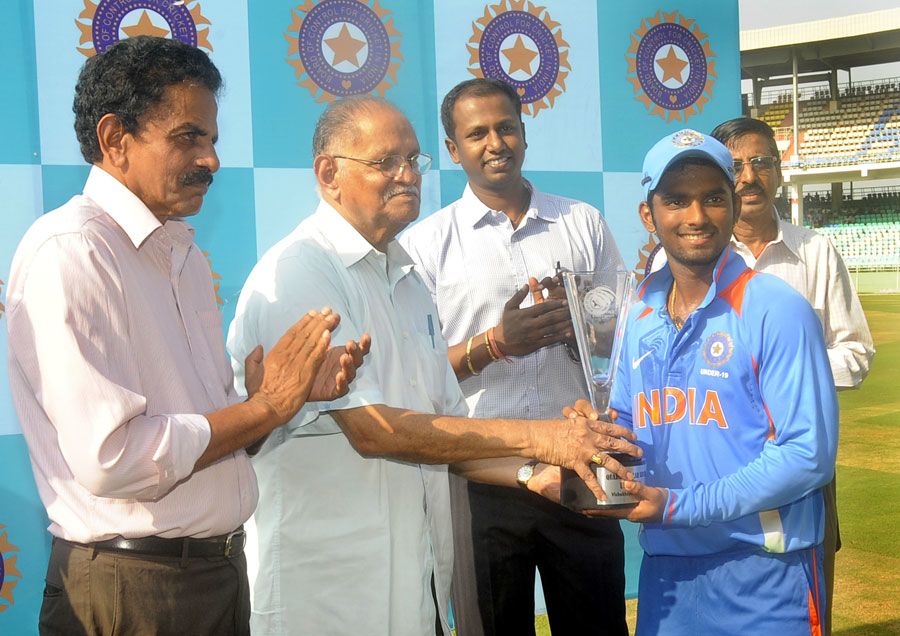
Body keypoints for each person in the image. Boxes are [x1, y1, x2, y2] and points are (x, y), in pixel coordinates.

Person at [226, 95, 640, 636]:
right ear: (329, 174)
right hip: (326, 593)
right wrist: (542, 437)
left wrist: (529, 472)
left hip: (410, 587)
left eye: (413, 162)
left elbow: (445, 419)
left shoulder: (406, 278)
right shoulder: (301, 271)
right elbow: (374, 430)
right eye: (385, 163)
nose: (407, 176)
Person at [6, 36, 367, 636]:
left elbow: (199, 435)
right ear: (115, 139)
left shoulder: (182, 254)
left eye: (212, 140)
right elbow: (113, 461)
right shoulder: (71, 252)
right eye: (187, 138)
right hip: (133, 592)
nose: (211, 160)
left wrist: (274, 404)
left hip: (214, 577)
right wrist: (263, 407)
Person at [573, 129, 838, 635]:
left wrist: (680, 505)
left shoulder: (776, 309)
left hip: (763, 580)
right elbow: (629, 426)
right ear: (649, 215)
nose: (696, 217)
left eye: (713, 197)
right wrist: (596, 434)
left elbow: (807, 454)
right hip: (668, 580)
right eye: (676, 200)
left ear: (734, 209)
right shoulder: (638, 314)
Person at [401, 78, 627, 636]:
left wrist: (575, 327)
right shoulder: (426, 243)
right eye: (476, 133)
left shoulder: (582, 222)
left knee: (598, 625)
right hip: (485, 476)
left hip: (579, 464)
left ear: (524, 136)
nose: (494, 142)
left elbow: (621, 339)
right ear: (453, 151)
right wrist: (497, 343)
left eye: (506, 128)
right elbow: (415, 373)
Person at [710, 116, 875, 636]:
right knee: (719, 596)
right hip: (718, 461)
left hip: (801, 466)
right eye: (735, 166)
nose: (749, 176)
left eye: (761, 162)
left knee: (805, 609)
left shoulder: (816, 251)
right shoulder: (695, 255)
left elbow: (855, 352)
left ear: (780, 173)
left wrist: (783, 373)